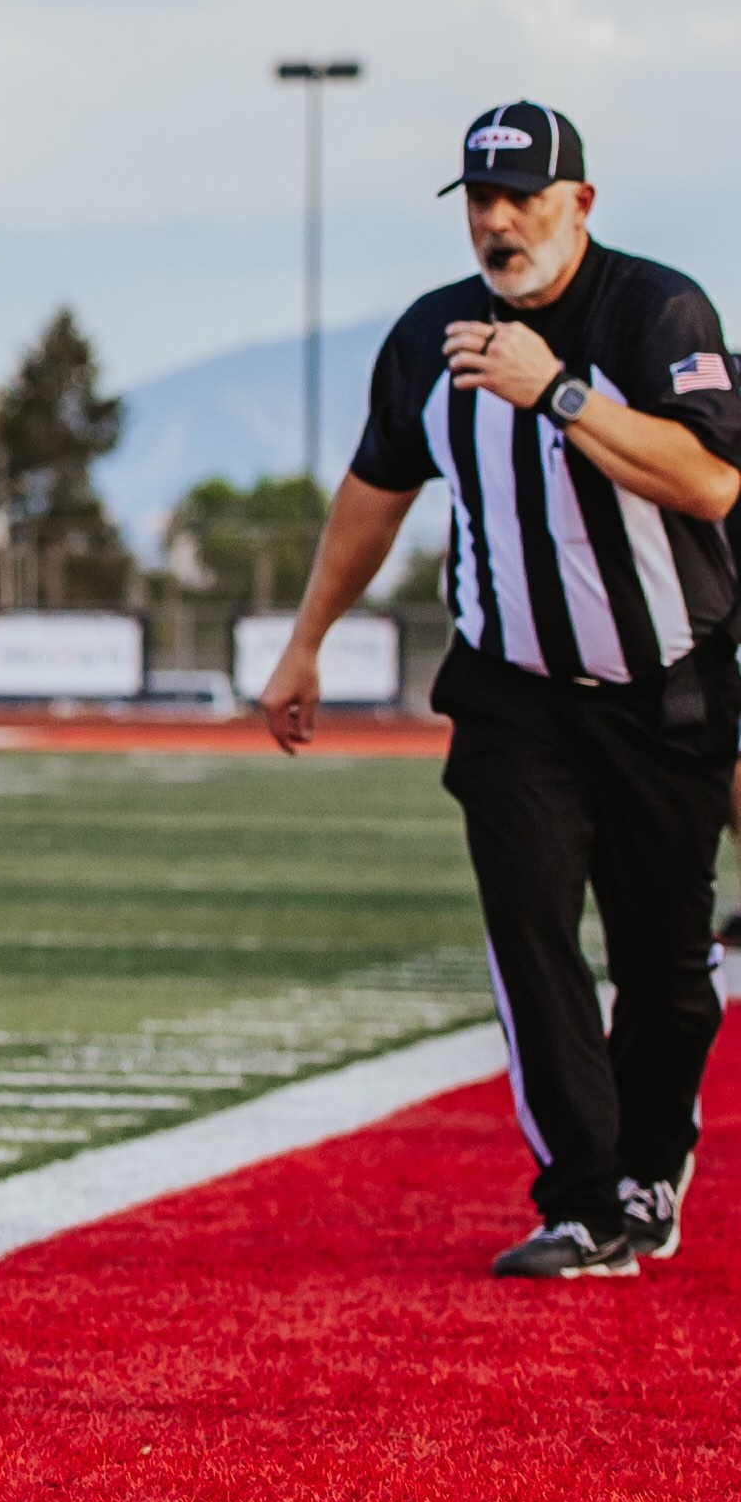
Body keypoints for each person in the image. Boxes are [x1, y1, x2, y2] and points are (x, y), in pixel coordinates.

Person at [263, 102, 741, 1279]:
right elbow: (374, 489)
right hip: (515, 691)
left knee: (665, 966)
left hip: (663, 686)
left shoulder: (655, 309)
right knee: (529, 924)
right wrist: (304, 640)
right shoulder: (431, 335)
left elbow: (710, 481)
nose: (494, 219)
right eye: (477, 198)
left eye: (520, 195)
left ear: (578, 202)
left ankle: (644, 1167)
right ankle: (582, 1197)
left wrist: (559, 392)